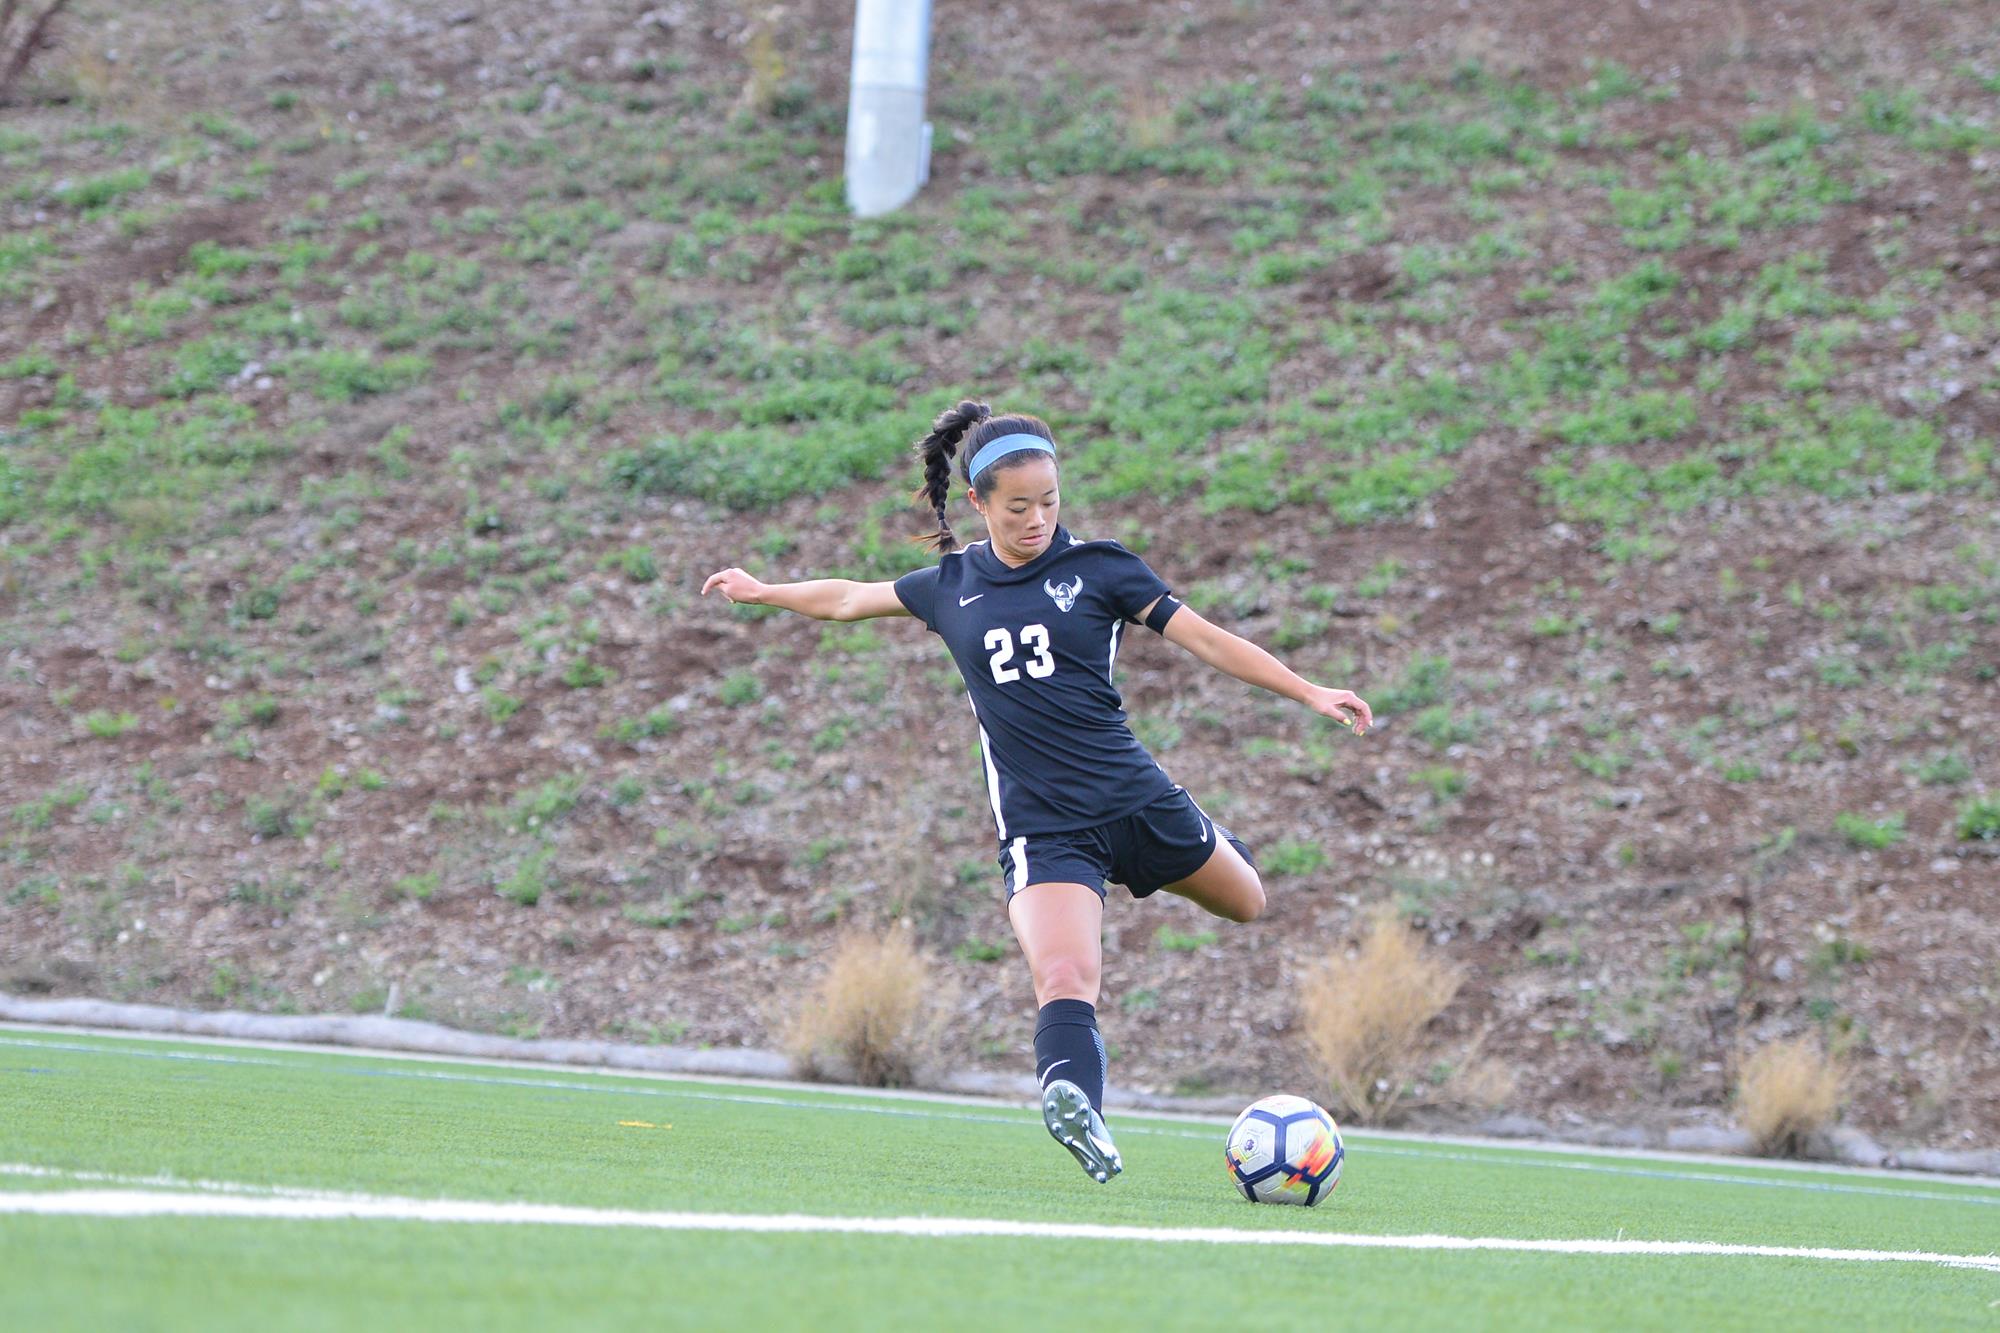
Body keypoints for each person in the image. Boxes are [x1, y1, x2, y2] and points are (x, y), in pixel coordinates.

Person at [701, 401, 1372, 1183]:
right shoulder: (949, 585)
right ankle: (1073, 1102)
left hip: (1136, 800)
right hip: (1044, 828)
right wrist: (762, 589)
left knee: (1248, 900)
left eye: (1049, 501)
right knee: (1063, 978)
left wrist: (1308, 690)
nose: (1037, 519)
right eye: (1018, 507)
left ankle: (1213, 845)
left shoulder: (1102, 568)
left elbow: (1209, 639)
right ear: (980, 504)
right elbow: (848, 597)